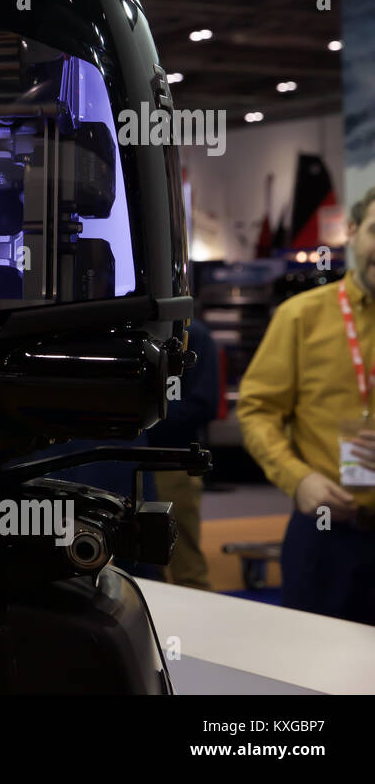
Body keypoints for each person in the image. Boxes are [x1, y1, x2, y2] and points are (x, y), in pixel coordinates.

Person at [236, 187, 375, 625]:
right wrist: (298, 480)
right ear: (352, 232)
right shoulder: (301, 317)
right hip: (327, 534)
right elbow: (257, 410)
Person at [146, 318, 218, 590]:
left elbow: (203, 404)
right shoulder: (134, 333)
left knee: (183, 559)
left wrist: (148, 417)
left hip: (173, 461)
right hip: (128, 462)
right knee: (142, 559)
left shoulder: (195, 335)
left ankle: (198, 625)